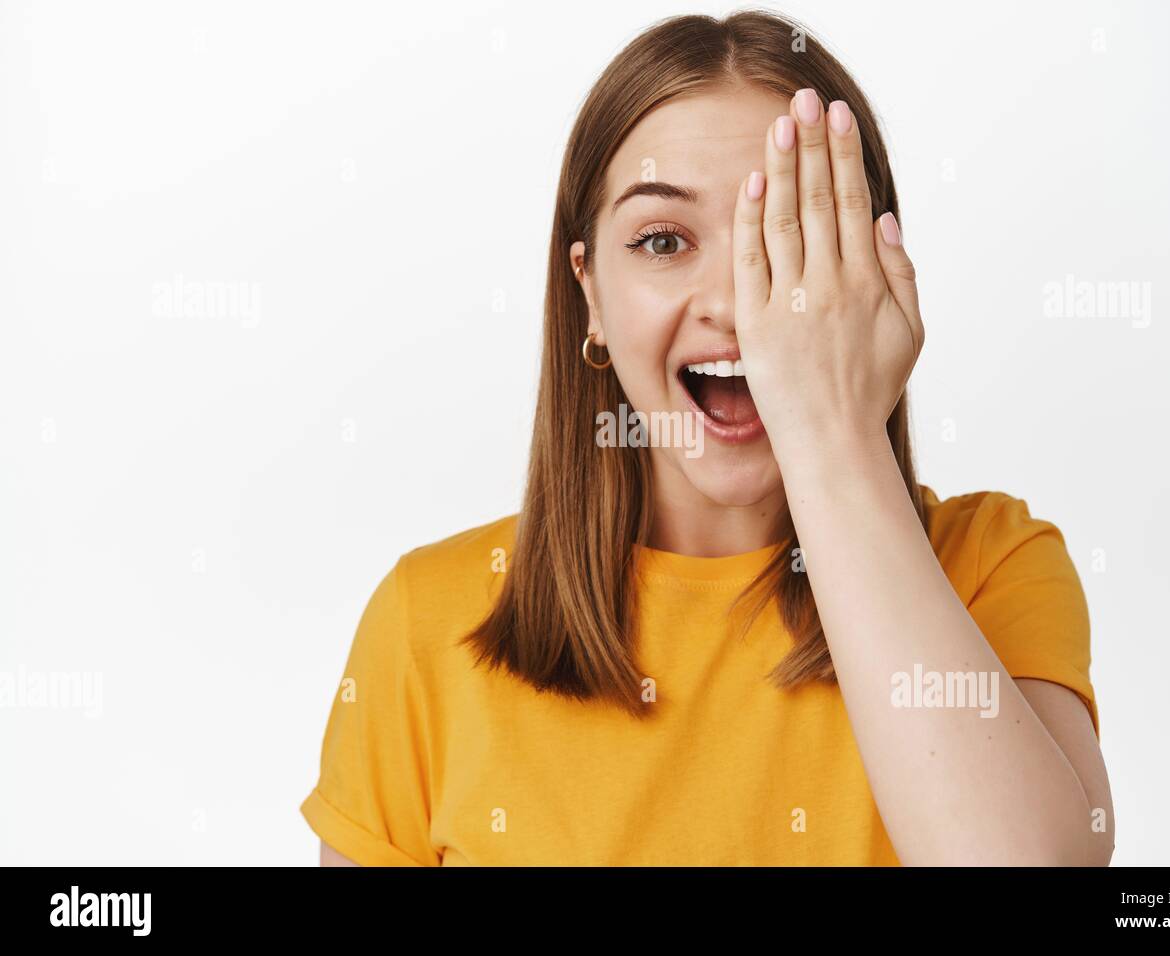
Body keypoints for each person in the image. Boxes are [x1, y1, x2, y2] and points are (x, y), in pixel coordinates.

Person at [301, 10, 1114, 867]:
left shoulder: (991, 568)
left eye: (789, 236)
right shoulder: (424, 625)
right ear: (591, 295)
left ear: (870, 276)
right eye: (662, 240)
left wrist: (834, 435)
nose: (735, 303)